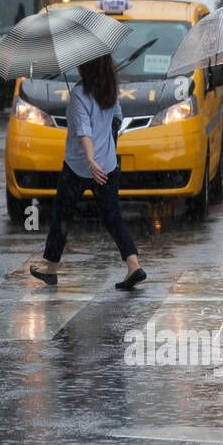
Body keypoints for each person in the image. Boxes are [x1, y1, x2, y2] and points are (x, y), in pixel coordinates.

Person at [30, 55, 145, 290]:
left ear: (85, 67)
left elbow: (84, 130)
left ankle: (51, 268)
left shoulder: (79, 94)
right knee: (113, 216)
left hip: (79, 165)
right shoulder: (109, 90)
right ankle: (134, 265)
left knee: (62, 214)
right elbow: (117, 119)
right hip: (108, 164)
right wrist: (105, 149)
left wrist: (91, 161)